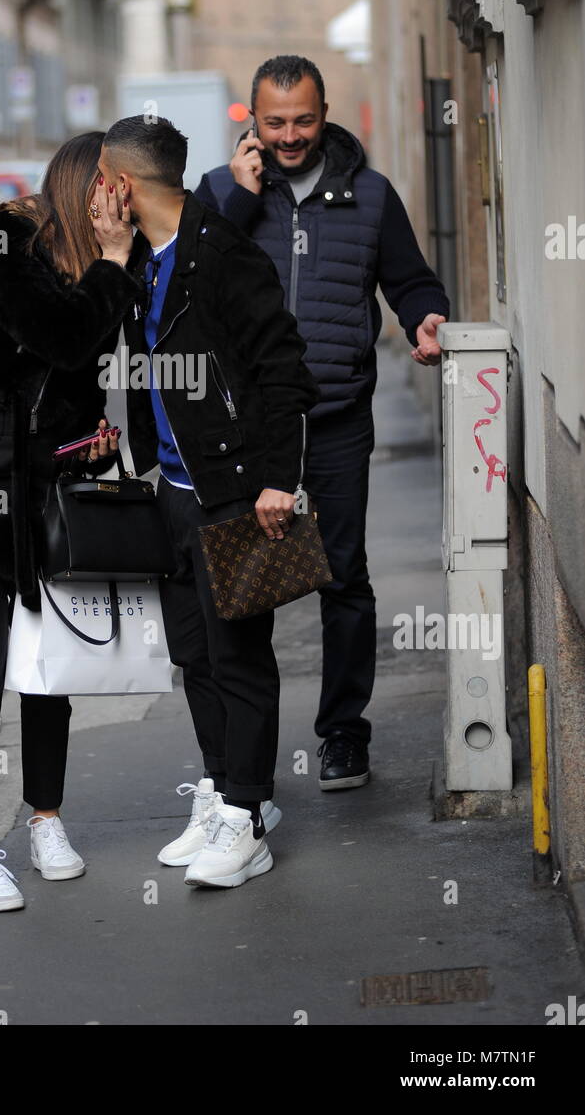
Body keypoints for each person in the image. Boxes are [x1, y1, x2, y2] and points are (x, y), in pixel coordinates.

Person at [195, 54, 450, 791]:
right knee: (249, 590)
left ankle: (342, 734)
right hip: (248, 427)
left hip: (335, 417)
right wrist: (239, 203)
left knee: (342, 579)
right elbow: (191, 283)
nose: (289, 135)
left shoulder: (368, 195)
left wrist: (424, 317)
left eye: (302, 120)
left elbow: (407, 278)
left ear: (324, 112)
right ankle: (247, 763)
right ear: (250, 120)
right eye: (273, 122)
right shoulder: (218, 192)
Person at [100, 115, 320, 889]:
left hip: (232, 488)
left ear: (123, 186)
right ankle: (227, 796)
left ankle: (248, 818)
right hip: (174, 489)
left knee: (239, 659)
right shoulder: (139, 262)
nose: (98, 196)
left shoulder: (220, 254)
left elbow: (282, 370)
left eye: (102, 181)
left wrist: (276, 480)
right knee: (195, 657)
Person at [0, 131, 141, 912]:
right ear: (84, 186)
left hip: (51, 474)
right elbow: (60, 335)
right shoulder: (5, 239)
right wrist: (115, 265)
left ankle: (46, 817)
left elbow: (100, 369)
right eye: (114, 186)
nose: (125, 201)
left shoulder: (113, 256)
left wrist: (94, 441)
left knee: (51, 663)